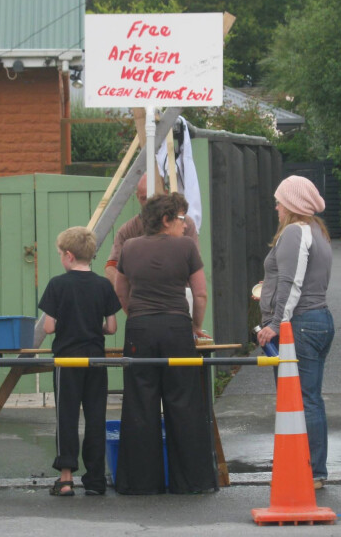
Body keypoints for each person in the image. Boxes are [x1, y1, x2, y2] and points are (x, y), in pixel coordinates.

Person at [113, 192, 216, 494]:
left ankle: (140, 483)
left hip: (140, 329)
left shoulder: (129, 247)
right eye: (182, 219)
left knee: (139, 404)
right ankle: (191, 482)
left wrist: (137, 315)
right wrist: (195, 325)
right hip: (176, 328)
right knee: (183, 402)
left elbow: (120, 291)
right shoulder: (186, 248)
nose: (185, 226)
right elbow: (199, 294)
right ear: (167, 219)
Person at [253, 175, 334, 490]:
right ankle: (313, 467)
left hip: (299, 323)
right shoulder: (318, 232)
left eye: (280, 201)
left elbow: (291, 281)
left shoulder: (293, 233)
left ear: (292, 204)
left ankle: (310, 469)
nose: (276, 207)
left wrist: (275, 323)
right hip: (318, 319)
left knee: (299, 398)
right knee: (310, 396)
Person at [38, 227, 122, 497]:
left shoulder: (57, 284)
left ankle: (65, 479)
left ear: (69, 256)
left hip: (67, 360)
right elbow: (112, 327)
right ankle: (96, 479)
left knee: (67, 416)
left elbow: (49, 327)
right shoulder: (103, 285)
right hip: (95, 360)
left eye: (61, 254)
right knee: (96, 416)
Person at [104, 173, 197, 290]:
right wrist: (129, 294)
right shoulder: (128, 231)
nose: (150, 204)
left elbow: (194, 270)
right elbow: (111, 267)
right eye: (144, 198)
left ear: (165, 193)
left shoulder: (185, 224)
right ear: (137, 196)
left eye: (154, 198)